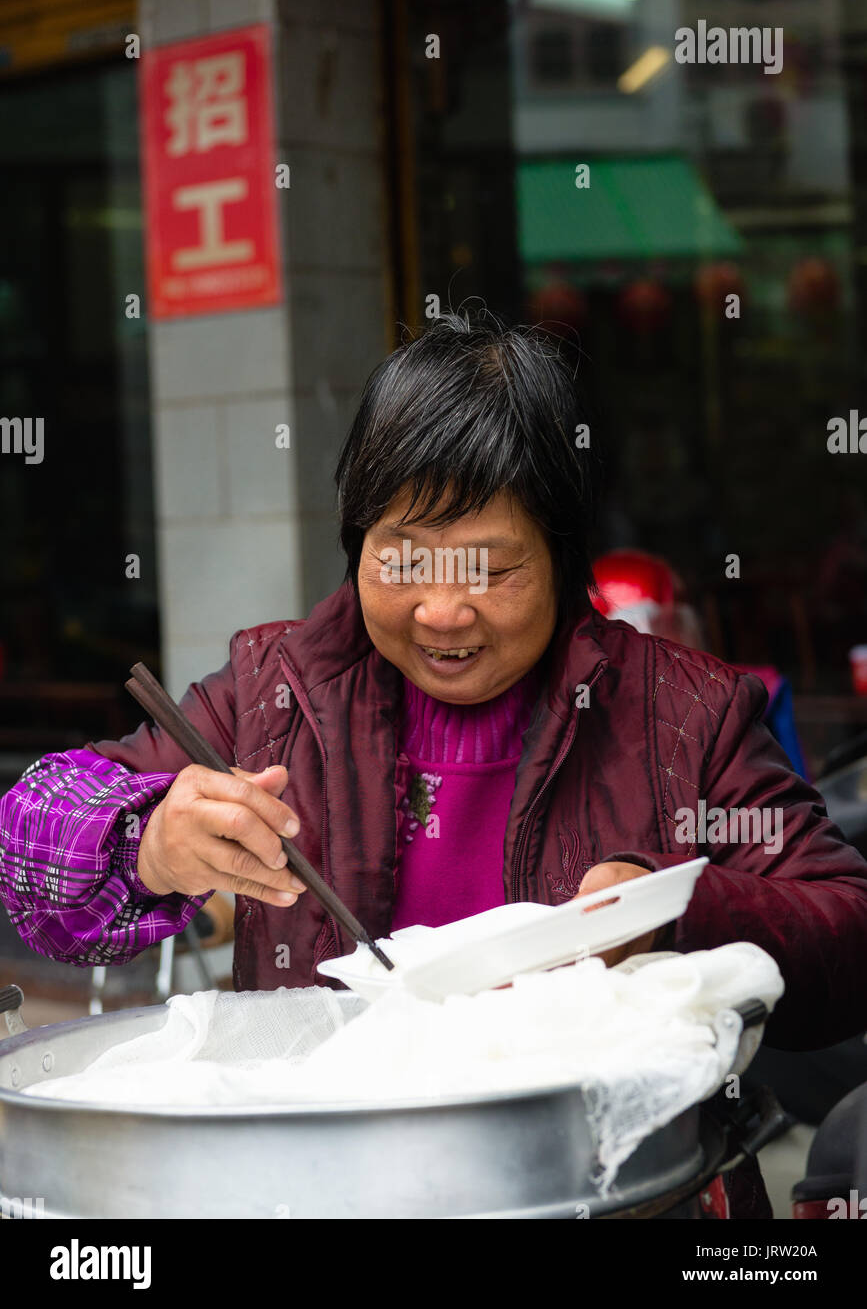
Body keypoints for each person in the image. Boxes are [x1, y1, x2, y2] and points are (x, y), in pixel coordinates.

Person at [2, 311, 867, 1217]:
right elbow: (32, 847)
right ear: (357, 541)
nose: (441, 611)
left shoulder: (681, 713)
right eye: (402, 559)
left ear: (560, 552)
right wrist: (151, 844)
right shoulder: (274, 693)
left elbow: (845, 940)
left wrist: (668, 913)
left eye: (489, 568)